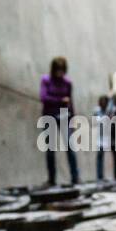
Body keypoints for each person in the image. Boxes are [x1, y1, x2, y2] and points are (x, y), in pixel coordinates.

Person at [39, 56, 79, 186]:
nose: (60, 73)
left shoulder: (67, 83)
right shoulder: (46, 80)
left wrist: (73, 119)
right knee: (50, 149)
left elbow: (70, 102)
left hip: (64, 115)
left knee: (70, 146)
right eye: (58, 70)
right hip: (49, 115)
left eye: (62, 70)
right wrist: (60, 100)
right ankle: (52, 179)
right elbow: (43, 97)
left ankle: (75, 177)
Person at [93, 95, 110, 182]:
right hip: (100, 136)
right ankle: (100, 176)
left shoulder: (109, 110)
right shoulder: (97, 111)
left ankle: (115, 176)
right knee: (100, 155)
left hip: (109, 135)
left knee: (113, 155)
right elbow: (97, 121)